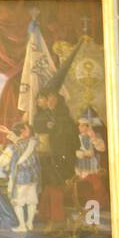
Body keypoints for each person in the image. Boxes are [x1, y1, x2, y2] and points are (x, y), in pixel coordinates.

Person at [32, 89, 80, 230]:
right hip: (47, 157)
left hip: (61, 159)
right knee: (48, 187)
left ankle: (57, 220)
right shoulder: (42, 116)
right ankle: (48, 217)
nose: (47, 101)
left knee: (55, 187)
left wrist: (54, 130)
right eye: (46, 98)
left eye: (48, 98)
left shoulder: (63, 118)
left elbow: (70, 141)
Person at [0, 120, 42, 233]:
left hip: (20, 178)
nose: (28, 130)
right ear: (22, 132)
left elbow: (2, 162)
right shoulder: (32, 142)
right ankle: (29, 223)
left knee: (17, 201)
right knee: (31, 200)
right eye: (26, 128)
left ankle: (22, 226)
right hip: (33, 177)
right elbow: (20, 141)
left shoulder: (12, 147)